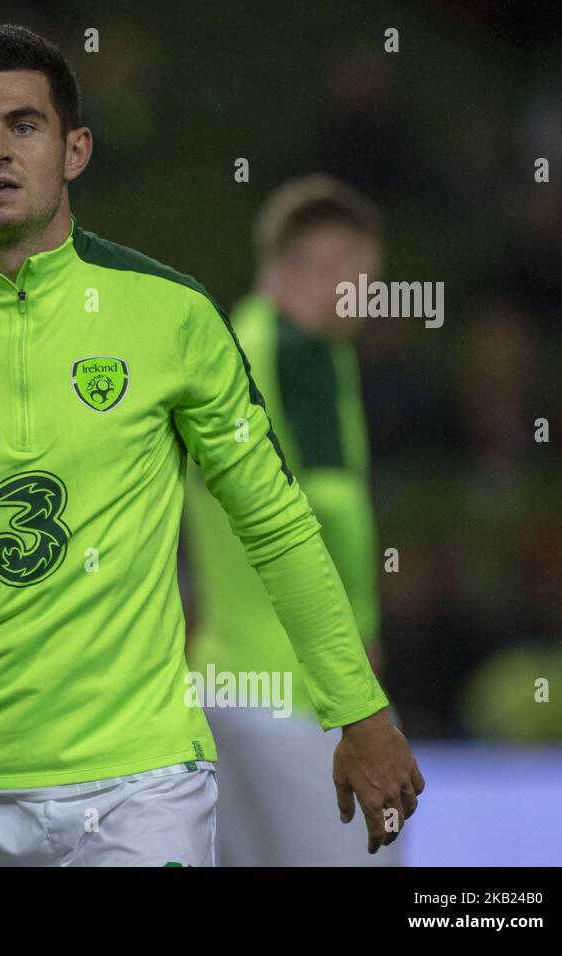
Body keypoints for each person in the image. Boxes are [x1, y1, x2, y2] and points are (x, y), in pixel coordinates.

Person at [0, 24, 423, 866]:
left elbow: (279, 523)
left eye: (23, 126)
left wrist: (357, 710)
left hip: (142, 788)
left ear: (75, 149)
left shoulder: (172, 318)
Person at [184, 174, 400, 865]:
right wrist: (362, 636)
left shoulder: (220, 348)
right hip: (306, 693)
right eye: (365, 281)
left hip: (221, 681)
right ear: (327, 264)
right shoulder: (305, 351)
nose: (368, 304)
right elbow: (336, 505)